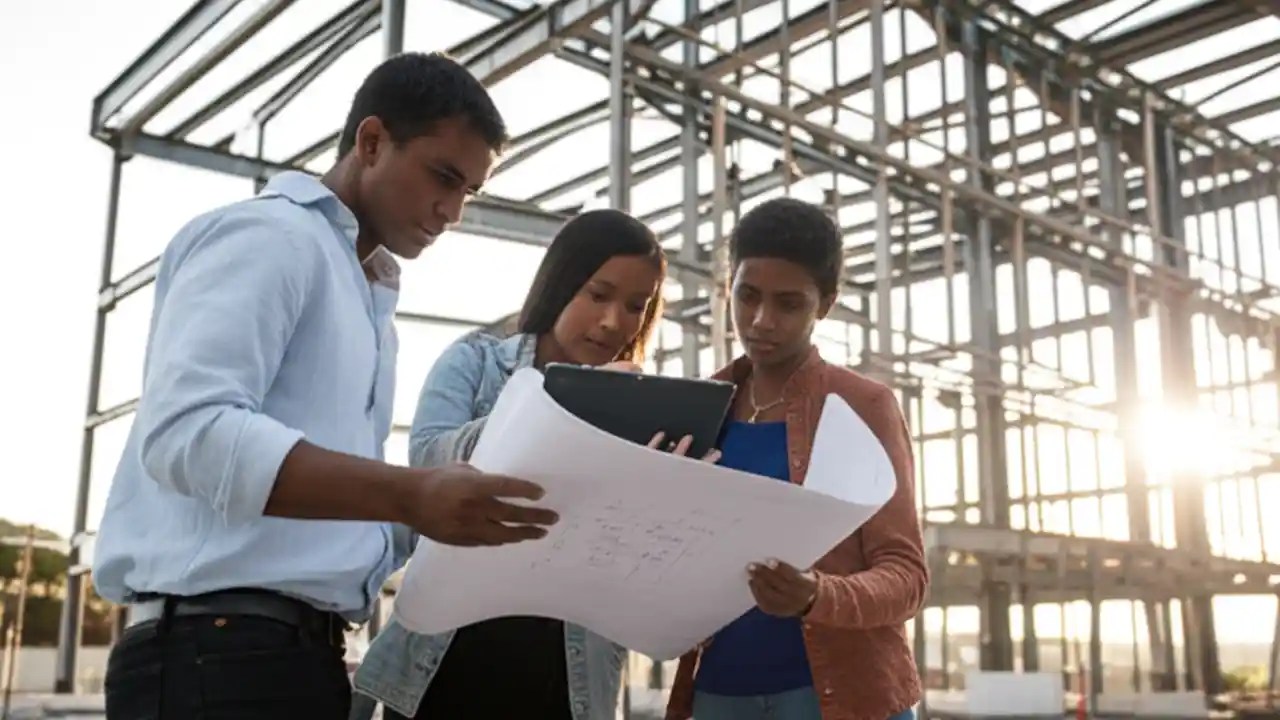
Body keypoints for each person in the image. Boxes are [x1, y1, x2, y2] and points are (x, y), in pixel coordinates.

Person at [93, 52, 560, 720]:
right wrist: (411, 494)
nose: (454, 211)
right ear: (371, 142)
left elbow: (328, 516)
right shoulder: (270, 235)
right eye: (443, 176)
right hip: (217, 655)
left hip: (285, 655)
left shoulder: (363, 293)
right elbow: (189, 433)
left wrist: (464, 508)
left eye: (470, 192)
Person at [352, 209, 715, 720]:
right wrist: (559, 406)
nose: (614, 321)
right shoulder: (476, 363)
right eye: (598, 294)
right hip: (447, 659)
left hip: (567, 672)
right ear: (561, 282)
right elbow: (429, 462)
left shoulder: (644, 411)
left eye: (636, 306)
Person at [664, 197, 928, 720]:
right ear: (729, 286)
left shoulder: (863, 407)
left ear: (825, 304)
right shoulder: (698, 407)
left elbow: (906, 576)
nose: (761, 321)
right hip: (720, 693)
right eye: (747, 296)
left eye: (788, 304)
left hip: (844, 696)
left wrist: (815, 595)